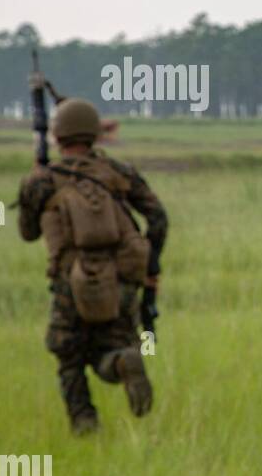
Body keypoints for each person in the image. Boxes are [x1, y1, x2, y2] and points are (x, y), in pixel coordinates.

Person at [17, 90, 168, 434]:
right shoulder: (117, 171)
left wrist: (33, 184)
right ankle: (120, 363)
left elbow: (27, 233)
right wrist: (151, 269)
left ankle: (85, 424)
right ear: (95, 133)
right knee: (113, 345)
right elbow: (157, 218)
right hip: (122, 281)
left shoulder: (44, 179)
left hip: (70, 281)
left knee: (69, 356)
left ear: (58, 136)